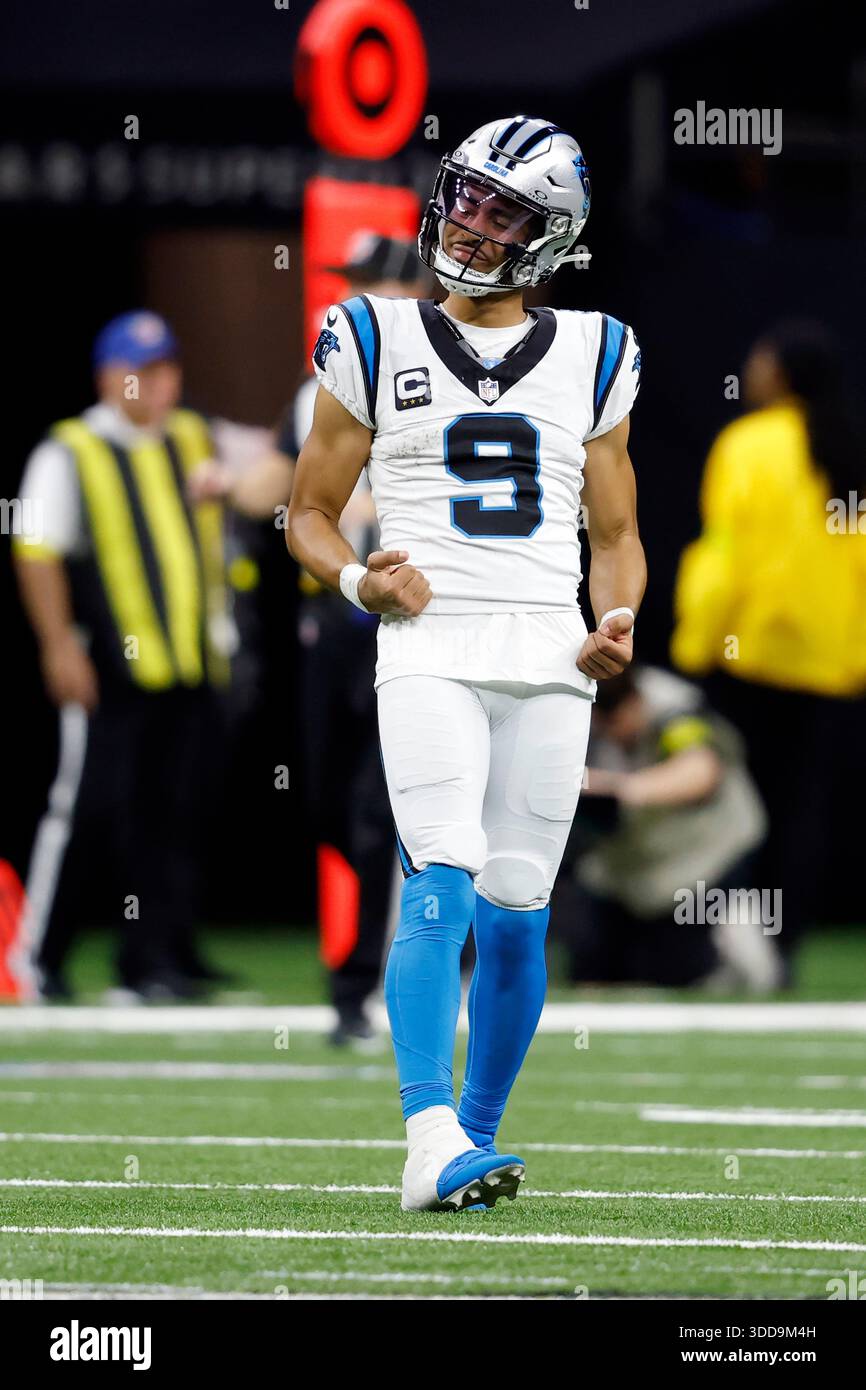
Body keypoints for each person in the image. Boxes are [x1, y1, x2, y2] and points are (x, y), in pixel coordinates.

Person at [288, 116, 645, 1212]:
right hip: (429, 643)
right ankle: (427, 1134)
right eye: (464, 195)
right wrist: (360, 582)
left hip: (549, 648)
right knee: (437, 873)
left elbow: (615, 532)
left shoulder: (597, 349)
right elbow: (306, 513)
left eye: (502, 211)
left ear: (552, 238)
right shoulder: (370, 333)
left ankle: (471, 1143)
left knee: (518, 907)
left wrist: (616, 616)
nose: (468, 222)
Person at [13, 311, 284, 1001]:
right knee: (88, 808)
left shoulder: (195, 436)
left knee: (178, 811)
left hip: (191, 662)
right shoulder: (71, 449)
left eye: (165, 369)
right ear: (109, 378)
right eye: (141, 372)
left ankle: (160, 957)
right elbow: (37, 550)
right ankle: (38, 956)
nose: (157, 384)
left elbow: (280, 456)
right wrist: (56, 645)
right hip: (111, 662)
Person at [671, 321, 866, 977]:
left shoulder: (750, 444)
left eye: (759, 361)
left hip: (747, 657)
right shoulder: (846, 447)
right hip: (825, 664)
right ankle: (779, 949)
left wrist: (696, 644)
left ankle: (724, 944)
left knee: (729, 802)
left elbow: (724, 555)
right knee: (799, 810)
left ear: (778, 373)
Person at [277, 234, 430, 1048]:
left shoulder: (443, 378)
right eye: (353, 282)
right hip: (338, 615)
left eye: (372, 282)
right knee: (328, 803)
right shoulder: (326, 380)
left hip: (410, 618)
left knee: (383, 808)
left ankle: (365, 985)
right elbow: (289, 494)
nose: (354, 297)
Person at [554, 665, 777, 991]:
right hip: (627, 871)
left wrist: (621, 789)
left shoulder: (674, 711)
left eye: (613, 718)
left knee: (690, 975)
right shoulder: (568, 712)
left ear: (634, 699)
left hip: (704, 858)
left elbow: (700, 771)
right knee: (595, 972)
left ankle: (735, 938)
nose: (607, 730)